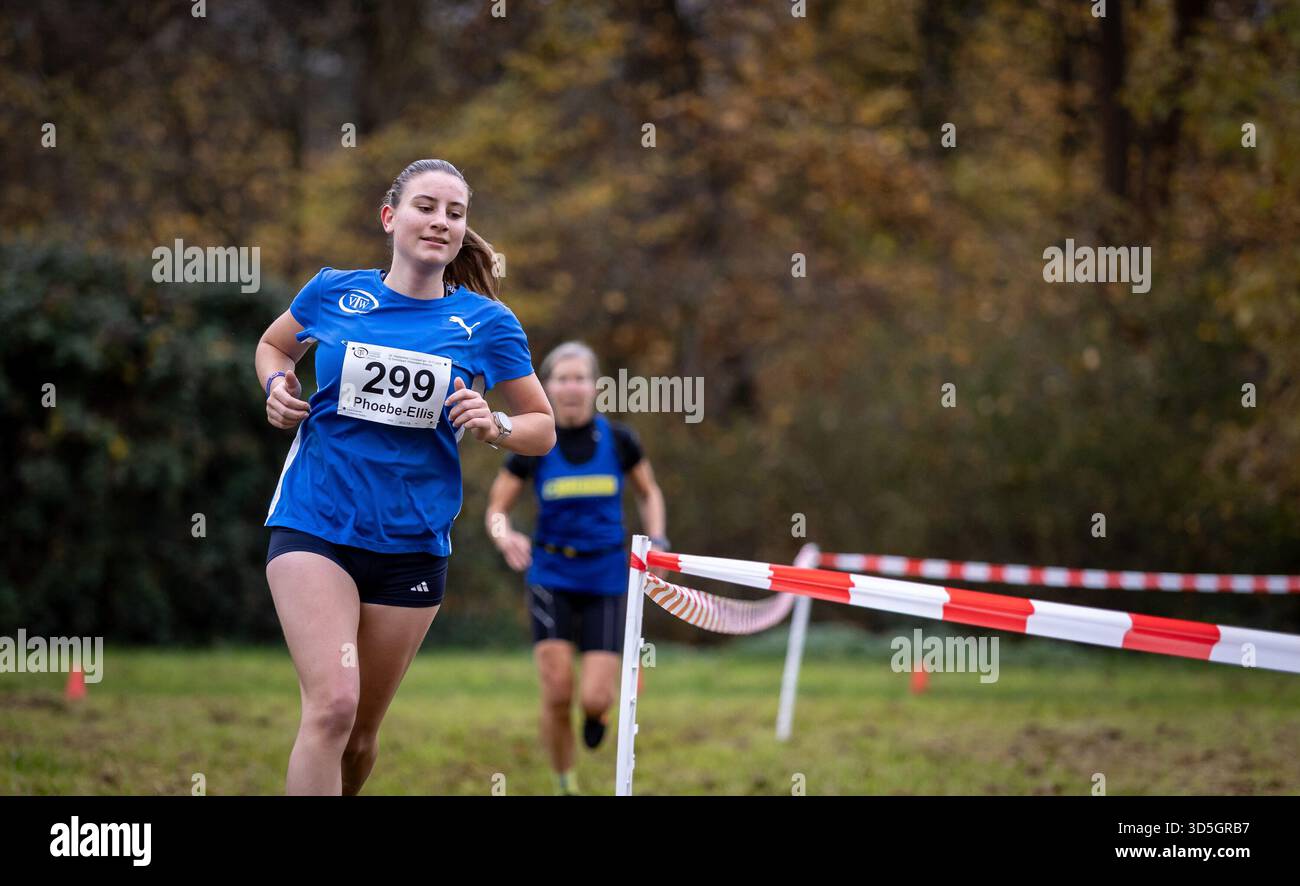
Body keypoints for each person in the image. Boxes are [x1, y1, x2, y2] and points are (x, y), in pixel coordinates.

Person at [256, 158, 555, 795]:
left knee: (360, 735)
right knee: (332, 706)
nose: (441, 221)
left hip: (411, 543)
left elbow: (542, 426)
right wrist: (278, 385)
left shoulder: (488, 324)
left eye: (455, 212)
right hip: (316, 522)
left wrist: (493, 421)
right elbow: (274, 346)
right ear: (390, 217)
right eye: (426, 206)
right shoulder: (333, 291)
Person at [485, 341, 668, 795]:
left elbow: (649, 493)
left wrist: (658, 540)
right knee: (557, 692)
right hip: (551, 575)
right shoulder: (533, 440)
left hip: (607, 575)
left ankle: (597, 713)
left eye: (580, 378)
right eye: (562, 379)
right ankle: (566, 785)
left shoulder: (620, 440)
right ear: (547, 386)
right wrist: (503, 534)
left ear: (596, 386)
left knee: (594, 697)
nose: (571, 387)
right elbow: (496, 508)